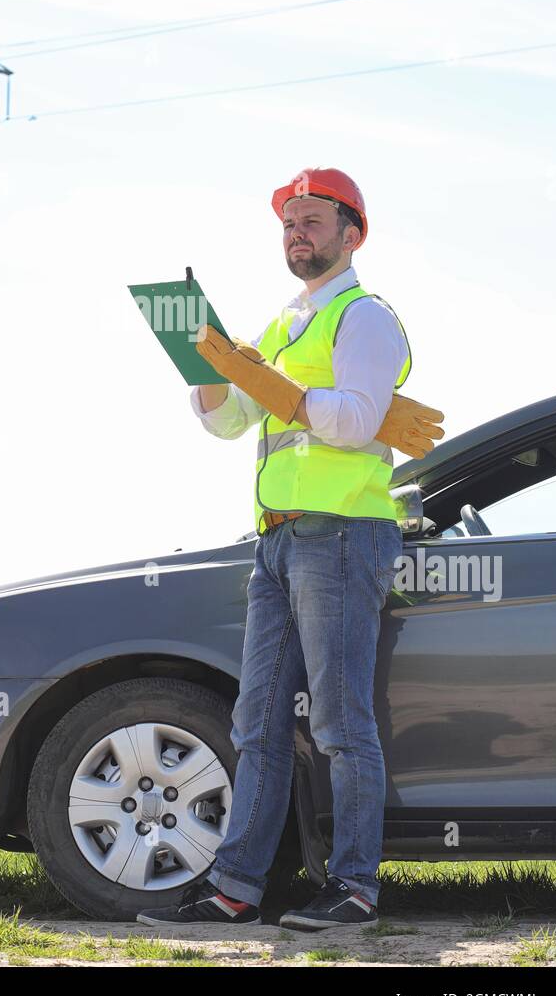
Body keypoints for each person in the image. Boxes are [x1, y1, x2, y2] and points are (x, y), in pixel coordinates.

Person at [136, 167, 443, 930]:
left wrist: (260, 380)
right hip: (277, 545)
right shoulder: (282, 325)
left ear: (351, 233)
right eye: (288, 222)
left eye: (312, 220)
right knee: (258, 726)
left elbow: (354, 418)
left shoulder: (365, 317)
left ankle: (355, 888)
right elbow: (228, 424)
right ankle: (235, 888)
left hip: (341, 536)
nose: (297, 232)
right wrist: (204, 368)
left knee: (340, 726)